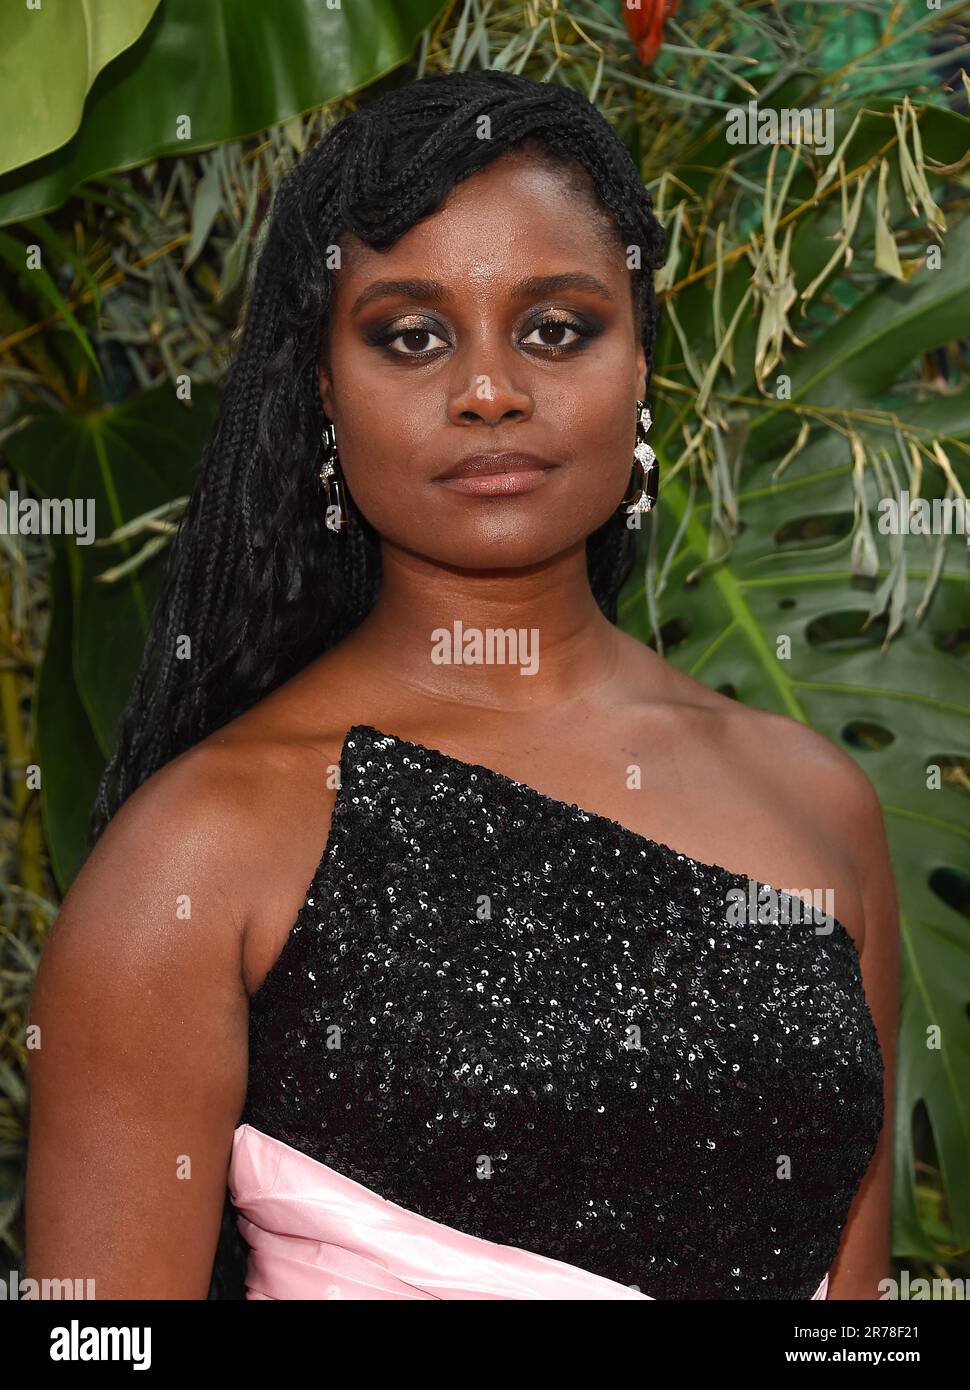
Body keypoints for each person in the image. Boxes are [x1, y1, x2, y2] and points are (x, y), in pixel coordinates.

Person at [24, 70, 897, 1300]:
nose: (489, 390)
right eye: (411, 335)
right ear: (324, 392)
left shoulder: (819, 806)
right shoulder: (205, 849)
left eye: (555, 328)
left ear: (641, 359)